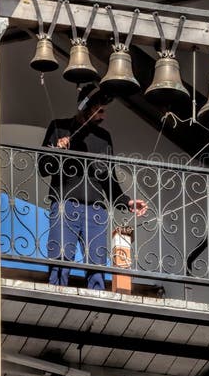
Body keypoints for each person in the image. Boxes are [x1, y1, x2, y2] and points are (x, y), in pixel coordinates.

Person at [40, 84, 147, 290]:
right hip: (65, 206)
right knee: (60, 259)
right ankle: (56, 295)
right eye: (99, 110)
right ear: (85, 107)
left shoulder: (103, 138)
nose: (103, 116)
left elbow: (110, 181)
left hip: (96, 211)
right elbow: (44, 167)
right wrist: (56, 151)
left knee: (97, 263)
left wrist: (127, 201)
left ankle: (96, 300)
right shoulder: (58, 127)